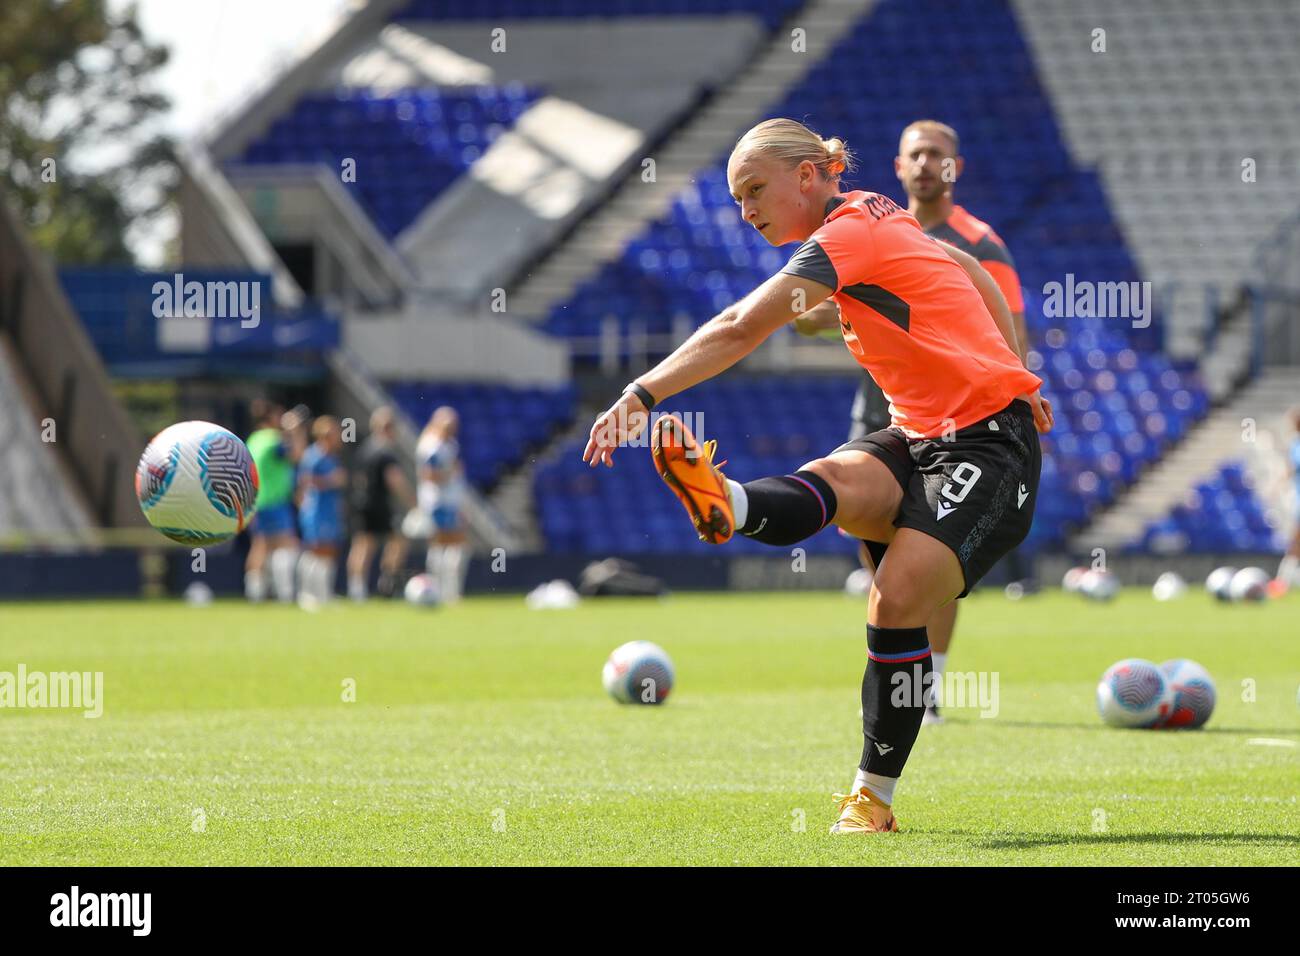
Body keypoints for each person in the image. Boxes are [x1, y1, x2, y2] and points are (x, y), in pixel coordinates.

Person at [583, 118, 1052, 834]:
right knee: (836, 480)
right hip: (916, 434)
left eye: (754, 190)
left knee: (894, 599)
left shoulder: (849, 232)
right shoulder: (872, 216)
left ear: (807, 177)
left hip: (990, 448)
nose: (745, 210)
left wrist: (640, 393)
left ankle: (873, 799)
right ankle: (730, 502)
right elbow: (968, 270)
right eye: (738, 198)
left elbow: (742, 325)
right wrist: (1017, 362)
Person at [794, 119, 1032, 723]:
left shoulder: (981, 244)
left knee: (930, 542)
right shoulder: (870, 228)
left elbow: (1008, 320)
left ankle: (927, 684)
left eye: (939, 156)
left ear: (956, 168)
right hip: (882, 403)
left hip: (957, 411)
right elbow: (808, 313)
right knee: (872, 542)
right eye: (915, 155)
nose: (927, 164)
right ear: (897, 168)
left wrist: (1019, 388)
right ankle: (904, 661)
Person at [346, 407, 416, 601]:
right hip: (378, 505)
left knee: (362, 544)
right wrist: (412, 501)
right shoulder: (384, 452)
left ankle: (357, 589)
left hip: (361, 502)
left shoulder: (364, 450)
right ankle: (387, 582)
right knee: (397, 540)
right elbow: (395, 480)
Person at [244, 400, 304, 603]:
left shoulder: (254, 439)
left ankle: (255, 593)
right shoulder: (273, 439)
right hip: (275, 501)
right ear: (270, 418)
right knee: (288, 546)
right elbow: (297, 455)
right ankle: (286, 593)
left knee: (260, 546)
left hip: (256, 502)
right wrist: (295, 431)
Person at [416, 406, 469, 605]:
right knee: (440, 545)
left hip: (452, 501)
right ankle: (437, 589)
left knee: (456, 547)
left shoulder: (451, 445)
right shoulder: (431, 446)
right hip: (436, 502)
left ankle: (452, 590)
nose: (452, 429)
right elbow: (428, 475)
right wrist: (450, 473)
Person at [297, 415, 347, 609]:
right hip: (317, 511)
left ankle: (324, 593)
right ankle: (306, 593)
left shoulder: (331, 457)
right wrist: (331, 480)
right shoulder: (313, 456)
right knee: (315, 549)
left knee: (329, 552)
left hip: (329, 510)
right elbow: (306, 483)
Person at [1273, 408, 1300, 594]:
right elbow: (1290, 470)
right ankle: (1283, 581)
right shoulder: (1295, 445)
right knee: (1296, 541)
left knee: (1296, 542)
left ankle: (1283, 581)